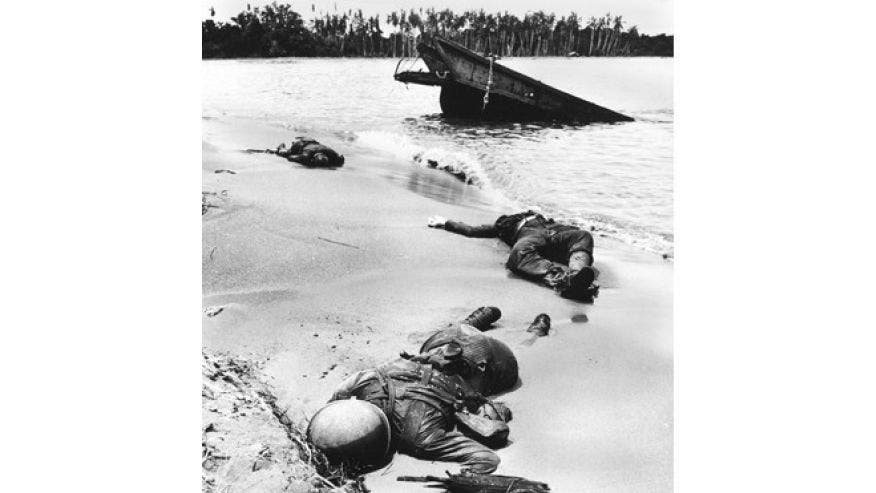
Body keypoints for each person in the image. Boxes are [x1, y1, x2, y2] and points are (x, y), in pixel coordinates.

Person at [321, 357, 510, 473]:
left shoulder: (420, 436)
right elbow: (338, 398)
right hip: (427, 364)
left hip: (472, 381)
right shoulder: (368, 382)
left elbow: (487, 459)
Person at [428, 210, 598, 300]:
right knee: (518, 254)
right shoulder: (502, 227)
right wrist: (446, 223)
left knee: (584, 235)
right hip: (529, 236)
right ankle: (564, 280)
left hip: (555, 233)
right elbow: (472, 230)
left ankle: (577, 274)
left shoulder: (539, 217)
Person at [271, 137, 345, 167]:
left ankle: (282, 148)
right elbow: (290, 158)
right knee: (287, 153)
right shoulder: (308, 154)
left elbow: (341, 158)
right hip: (300, 144)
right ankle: (281, 148)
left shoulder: (331, 153)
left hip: (311, 141)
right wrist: (304, 161)